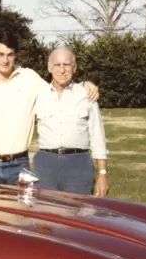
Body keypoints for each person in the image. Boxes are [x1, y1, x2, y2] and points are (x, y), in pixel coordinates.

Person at [0, 31, 99, 185]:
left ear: (15, 55)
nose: (5, 60)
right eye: (0, 54)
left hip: (19, 165)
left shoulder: (29, 78)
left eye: (10, 54)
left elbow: (56, 90)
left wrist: (85, 85)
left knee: (22, 209)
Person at [31, 46, 109, 196]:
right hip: (45, 164)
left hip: (78, 165)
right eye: (57, 65)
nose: (62, 70)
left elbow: (98, 136)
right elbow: (19, 122)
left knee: (78, 213)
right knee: (45, 213)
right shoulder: (38, 95)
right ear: (49, 67)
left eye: (66, 65)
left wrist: (103, 173)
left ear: (74, 67)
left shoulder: (87, 95)